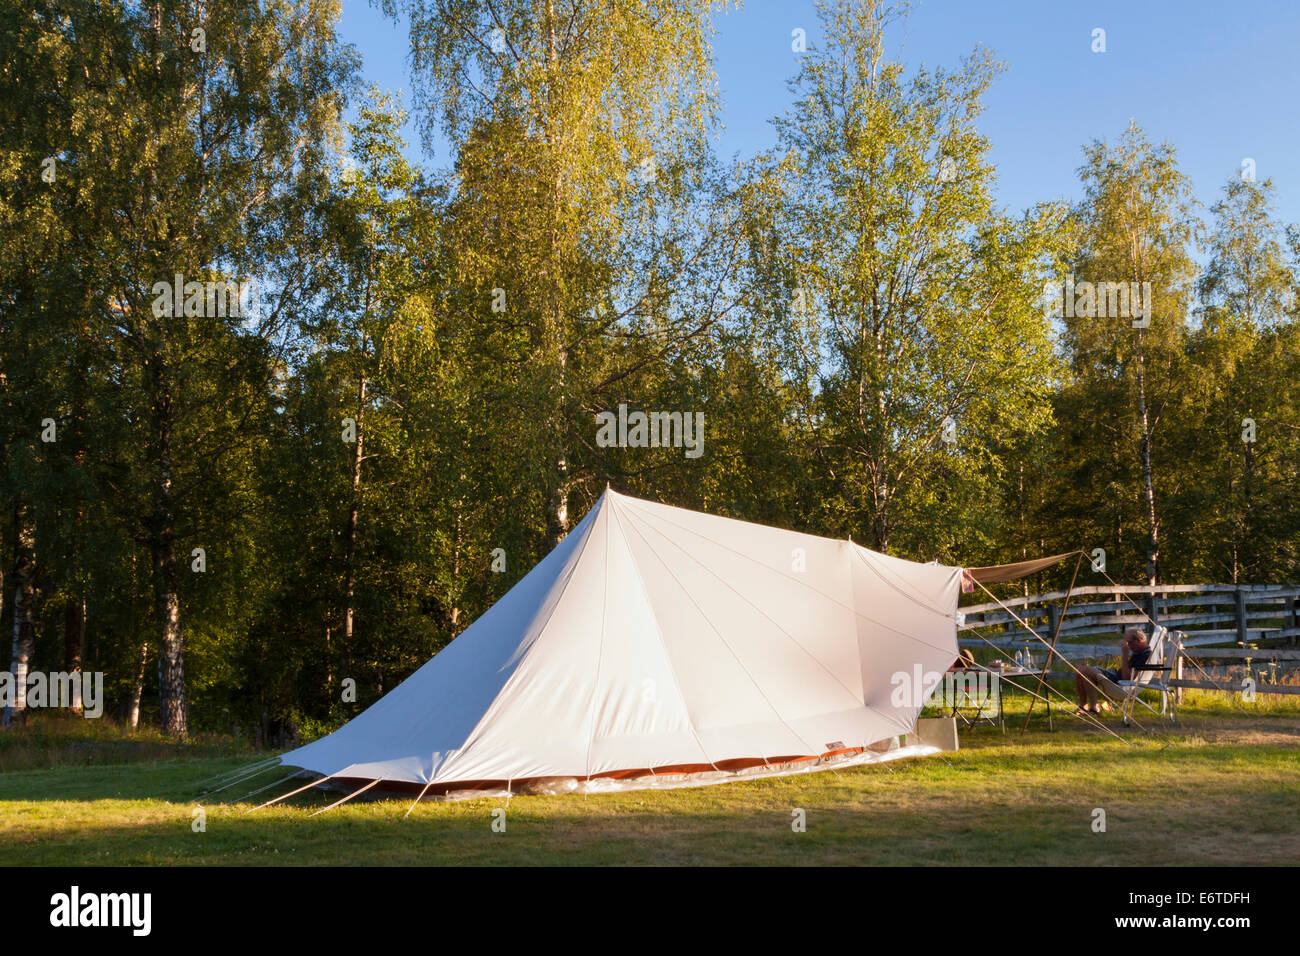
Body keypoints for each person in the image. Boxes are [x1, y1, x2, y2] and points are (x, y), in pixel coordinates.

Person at [1073, 626, 1151, 715]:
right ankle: (1084, 706)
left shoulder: (1145, 656)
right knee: (1080, 671)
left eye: (1129, 642)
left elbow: (1127, 678)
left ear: (1139, 640)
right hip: (1117, 678)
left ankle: (1093, 708)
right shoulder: (1140, 652)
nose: (1128, 645)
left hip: (1121, 685)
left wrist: (1125, 655)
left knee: (1084, 670)